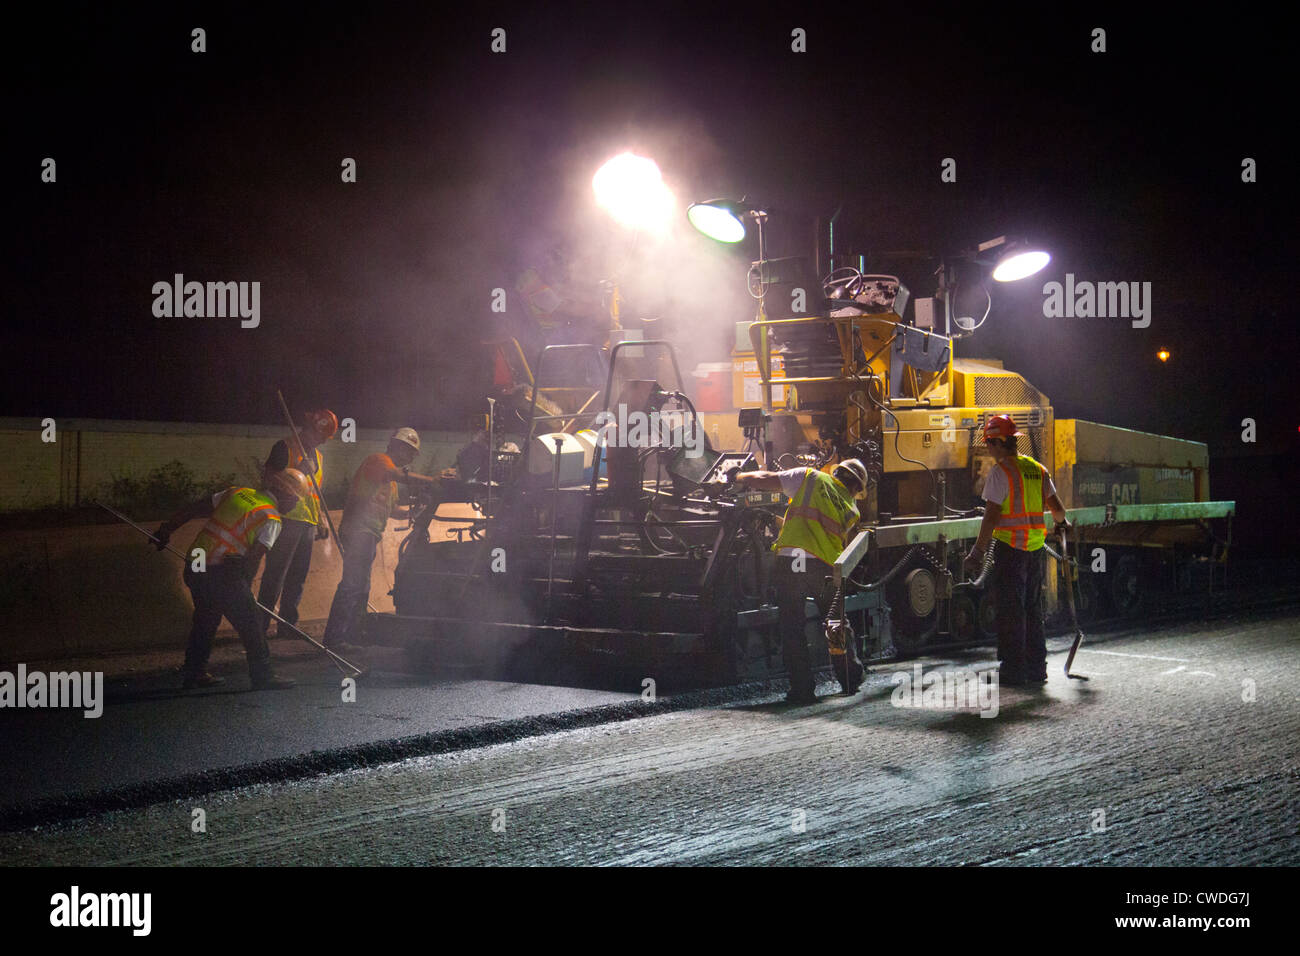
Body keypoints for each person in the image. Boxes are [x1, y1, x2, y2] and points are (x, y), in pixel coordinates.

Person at [154, 468, 311, 691]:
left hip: (195, 565)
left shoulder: (237, 493)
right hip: (224, 572)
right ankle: (263, 676)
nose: (295, 505)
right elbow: (253, 558)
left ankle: (194, 672)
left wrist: (166, 529)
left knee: (206, 619)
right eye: (296, 500)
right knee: (251, 624)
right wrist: (242, 588)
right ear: (287, 495)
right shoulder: (271, 517)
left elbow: (194, 508)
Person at [734, 458, 870, 704]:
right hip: (826, 568)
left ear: (836, 471)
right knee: (835, 624)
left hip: (792, 562)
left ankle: (802, 689)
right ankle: (850, 678)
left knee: (792, 628)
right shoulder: (852, 510)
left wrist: (740, 477)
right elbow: (825, 534)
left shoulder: (810, 477)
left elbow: (767, 480)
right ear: (855, 489)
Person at [963, 414, 1070, 686]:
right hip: (1034, 550)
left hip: (1011, 550)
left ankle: (1013, 671)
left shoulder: (1001, 472)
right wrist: (1063, 526)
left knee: (1011, 611)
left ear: (998, 442)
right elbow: (1057, 509)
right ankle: (1037, 669)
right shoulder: (1038, 468)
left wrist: (977, 552)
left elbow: (991, 516)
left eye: (988, 442)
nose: (988, 448)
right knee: (1033, 609)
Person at [322, 428, 436, 653]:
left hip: (369, 534)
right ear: (398, 447)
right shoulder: (379, 461)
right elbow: (397, 475)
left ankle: (353, 634)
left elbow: (391, 509)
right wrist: (432, 481)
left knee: (361, 586)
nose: (411, 457)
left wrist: (413, 513)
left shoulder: (389, 481)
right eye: (410, 452)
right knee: (353, 584)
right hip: (358, 531)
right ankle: (335, 638)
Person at [258, 409, 337, 639]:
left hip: (307, 523)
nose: (322, 440)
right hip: (285, 519)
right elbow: (268, 479)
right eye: (321, 434)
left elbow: (315, 491)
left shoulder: (319, 457)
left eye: (325, 437)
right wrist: (297, 471)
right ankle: (259, 625)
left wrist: (320, 518)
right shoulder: (285, 447)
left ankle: (288, 625)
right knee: (276, 575)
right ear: (310, 428)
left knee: (298, 578)